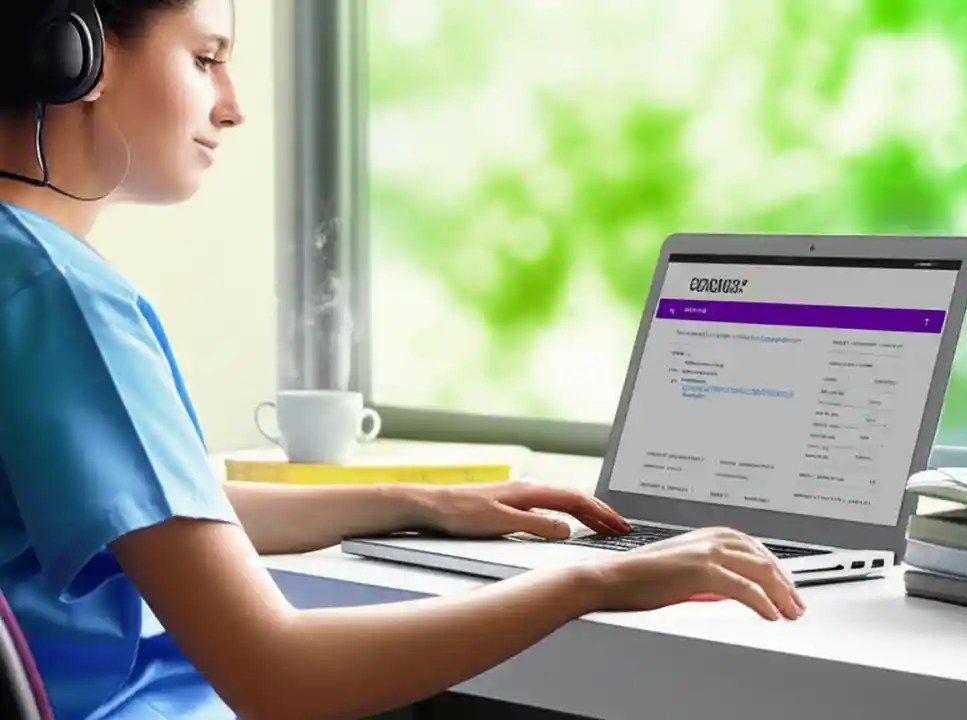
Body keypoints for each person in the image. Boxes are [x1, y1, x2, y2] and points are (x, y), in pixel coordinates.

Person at [0, 1, 805, 718]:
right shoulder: (62, 298)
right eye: (206, 58)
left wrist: (415, 500)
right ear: (78, 52)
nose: (235, 106)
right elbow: (278, 676)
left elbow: (164, 512)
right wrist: (595, 582)